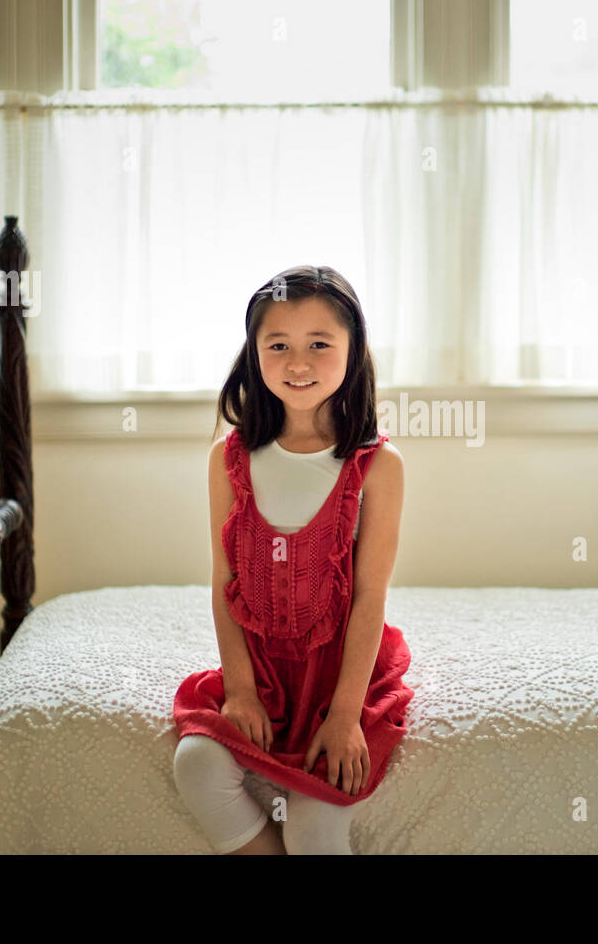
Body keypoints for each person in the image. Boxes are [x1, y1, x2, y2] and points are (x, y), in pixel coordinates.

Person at [172, 265, 414, 855]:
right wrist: (240, 688)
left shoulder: (377, 467)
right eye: (278, 345)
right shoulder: (228, 459)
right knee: (197, 762)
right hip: (260, 670)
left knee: (317, 813)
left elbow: (368, 597)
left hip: (341, 678)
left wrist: (345, 714)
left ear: (353, 351)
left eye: (319, 345)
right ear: (254, 354)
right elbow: (224, 580)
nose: (298, 363)